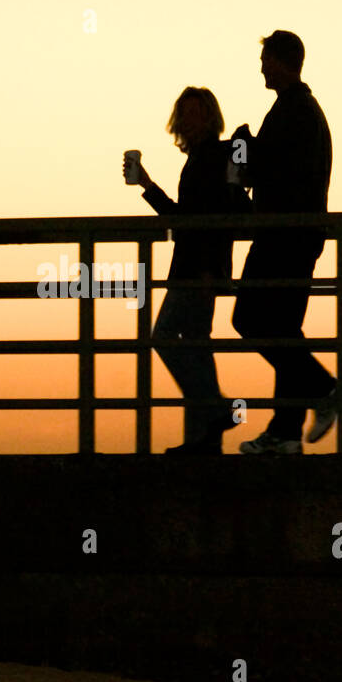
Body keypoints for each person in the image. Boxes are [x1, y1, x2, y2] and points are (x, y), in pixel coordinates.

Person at [229, 30, 342, 455]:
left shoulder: (293, 111)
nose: (261, 67)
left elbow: (265, 173)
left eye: (266, 59)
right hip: (298, 236)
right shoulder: (302, 110)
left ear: (282, 61)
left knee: (249, 319)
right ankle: (285, 432)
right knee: (283, 330)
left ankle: (327, 388)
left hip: (284, 236)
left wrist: (244, 147)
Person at [124, 87, 251, 454]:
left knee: (164, 335)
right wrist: (147, 185)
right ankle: (204, 441)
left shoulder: (210, 157)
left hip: (197, 268)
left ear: (209, 118)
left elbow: (201, 219)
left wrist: (147, 186)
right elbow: (190, 217)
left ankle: (217, 408)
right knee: (196, 346)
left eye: (196, 113)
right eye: (186, 113)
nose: (189, 120)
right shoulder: (203, 158)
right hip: (198, 266)